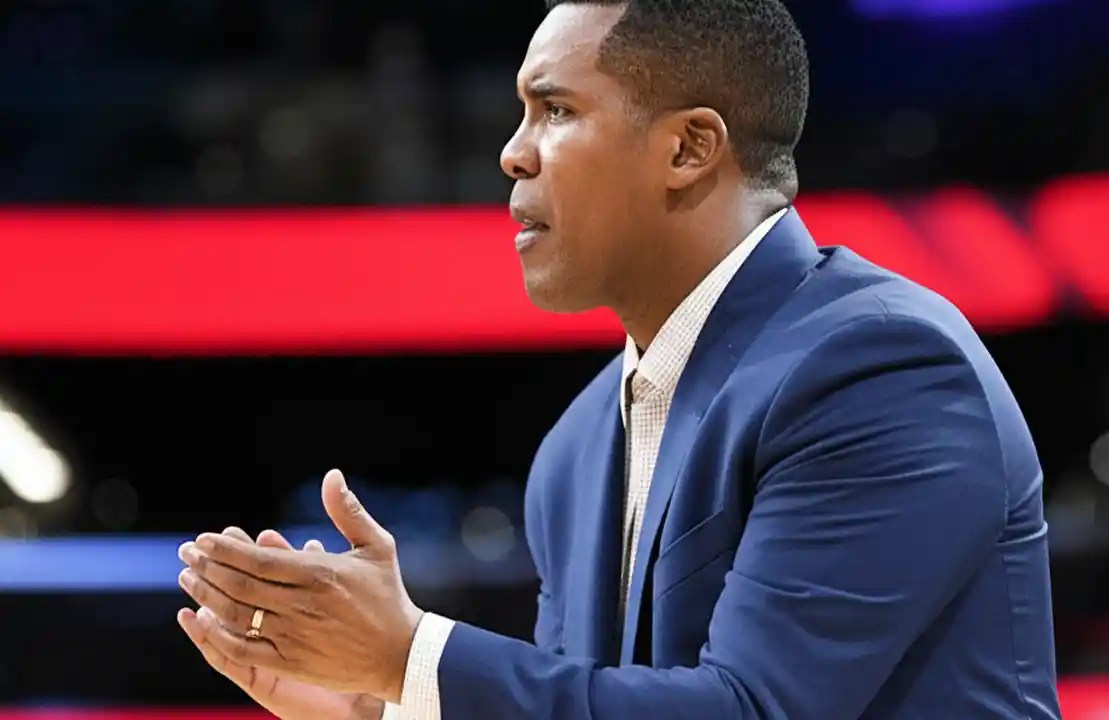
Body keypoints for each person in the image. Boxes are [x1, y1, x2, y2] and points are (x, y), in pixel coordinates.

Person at [176, 0, 1062, 717]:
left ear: (688, 149)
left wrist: (409, 656)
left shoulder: (880, 368)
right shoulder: (576, 447)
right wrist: (386, 707)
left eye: (555, 110)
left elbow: (753, 710)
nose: (511, 152)